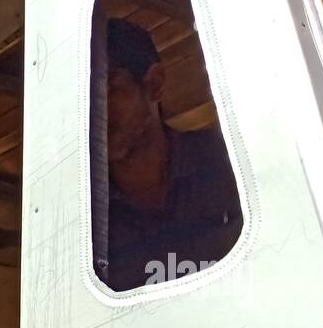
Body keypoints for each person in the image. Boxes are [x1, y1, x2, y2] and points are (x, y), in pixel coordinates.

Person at [101, 17, 243, 291]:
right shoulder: (84, 216)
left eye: (107, 86)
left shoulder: (230, 162)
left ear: (154, 84)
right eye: (83, 98)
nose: (93, 110)